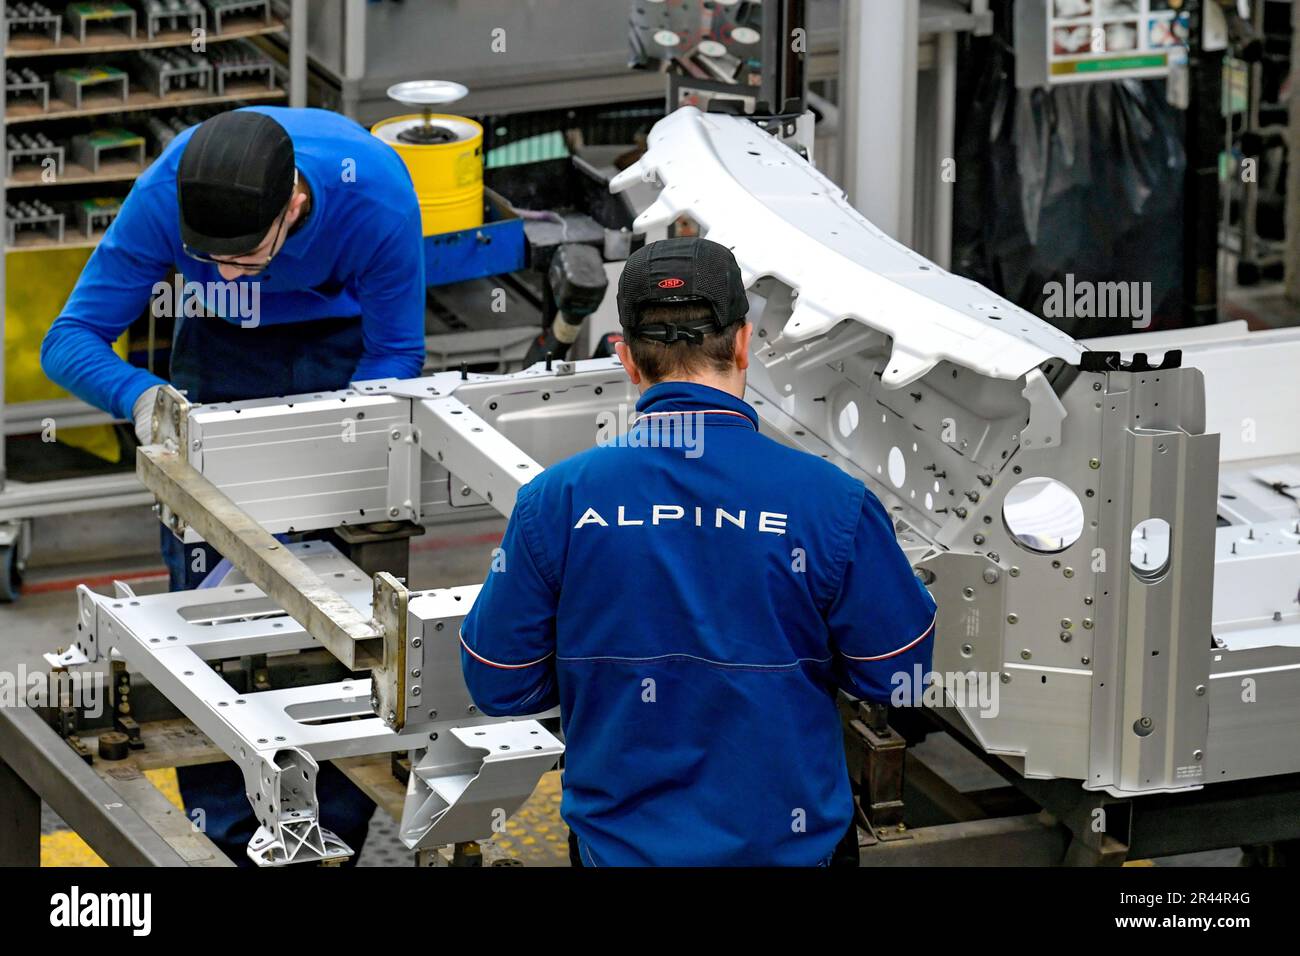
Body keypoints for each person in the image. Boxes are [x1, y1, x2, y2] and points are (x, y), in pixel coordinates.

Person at [459, 236, 937, 866]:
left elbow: (497, 681)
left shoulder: (557, 503)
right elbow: (897, 676)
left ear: (628, 359)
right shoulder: (832, 503)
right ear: (743, 343)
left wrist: (595, 666)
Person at [41, 106, 429, 865]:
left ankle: (329, 838)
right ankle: (226, 834)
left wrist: (335, 449)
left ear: (294, 206)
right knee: (208, 613)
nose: (223, 278)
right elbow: (70, 338)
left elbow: (396, 353)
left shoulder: (376, 195)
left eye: (245, 261)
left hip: (339, 357)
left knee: (335, 620)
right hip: (216, 362)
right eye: (204, 261)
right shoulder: (167, 193)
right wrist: (142, 399)